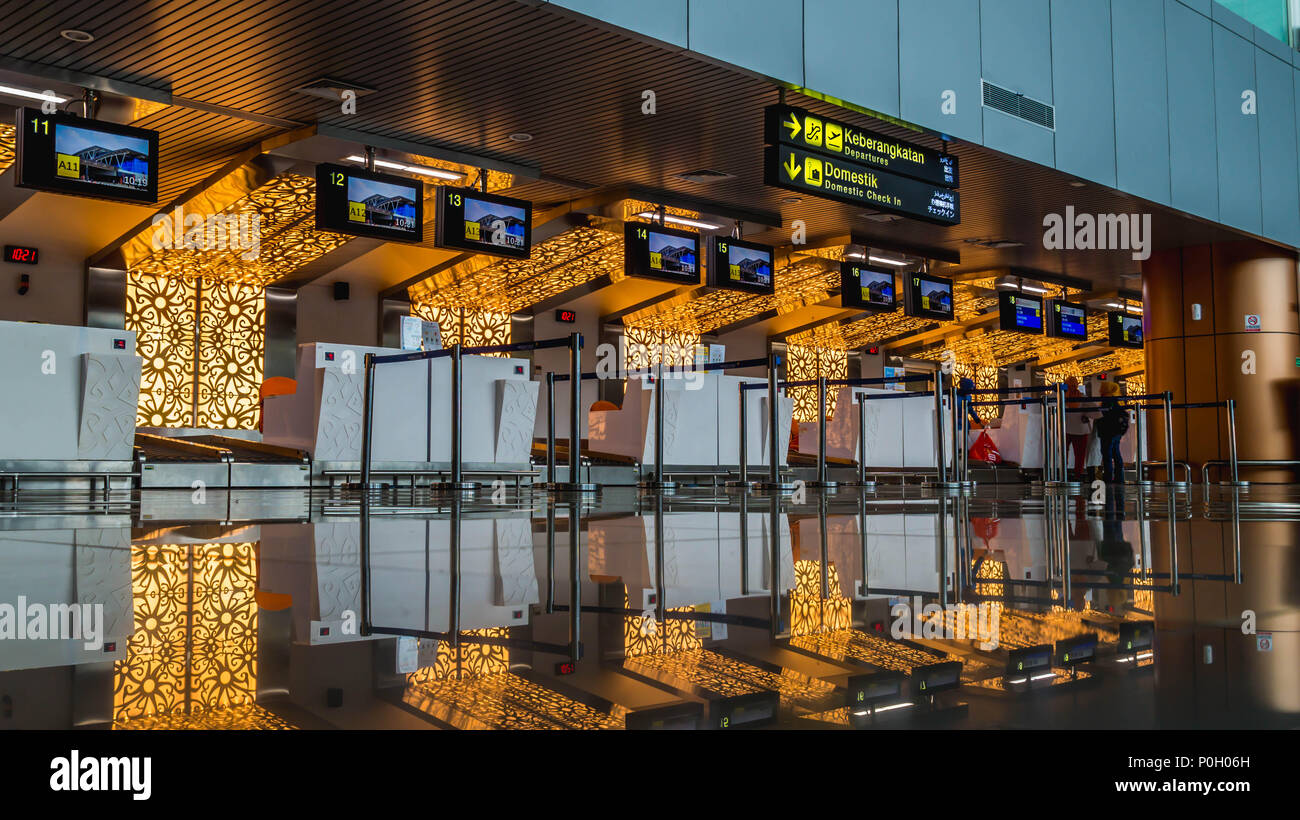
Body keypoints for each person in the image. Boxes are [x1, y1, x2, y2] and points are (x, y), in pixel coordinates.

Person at [1096, 381, 1129, 483]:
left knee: (1107, 455)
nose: (1100, 389)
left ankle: (1108, 478)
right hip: (1116, 432)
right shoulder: (1116, 399)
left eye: (1102, 387)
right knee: (1116, 453)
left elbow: (1103, 416)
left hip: (1107, 432)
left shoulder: (1107, 400)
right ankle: (1119, 477)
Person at [1063, 376, 1091, 481]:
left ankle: (1065, 473)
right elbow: (1094, 410)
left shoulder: (1062, 397)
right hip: (1079, 429)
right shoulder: (1082, 397)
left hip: (1066, 428)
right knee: (1079, 454)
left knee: (1065, 452)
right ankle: (1077, 475)